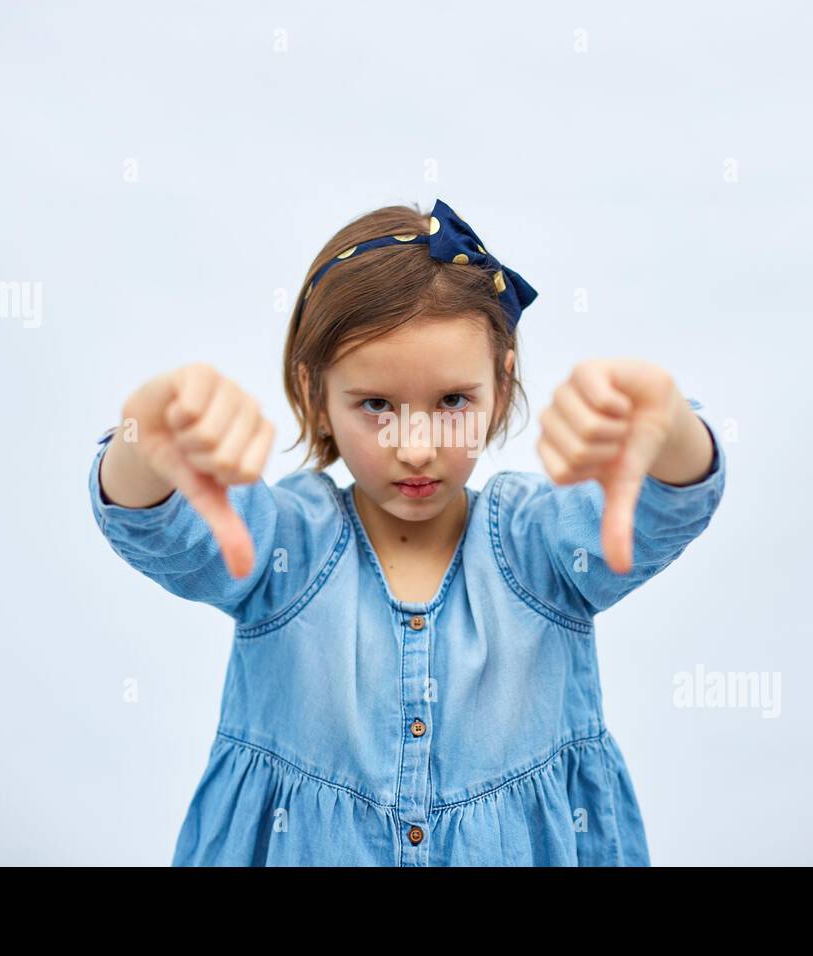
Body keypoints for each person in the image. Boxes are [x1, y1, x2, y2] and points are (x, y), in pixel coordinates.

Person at [88, 198, 727, 865]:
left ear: (500, 388)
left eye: (453, 401)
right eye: (375, 405)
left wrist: (672, 431)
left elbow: (663, 505)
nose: (416, 446)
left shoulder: (539, 546)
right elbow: (160, 527)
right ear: (315, 397)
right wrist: (143, 442)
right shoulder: (286, 545)